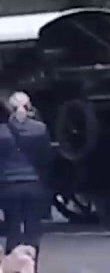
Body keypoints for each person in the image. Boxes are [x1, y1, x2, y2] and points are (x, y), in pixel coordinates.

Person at [0, 92, 53, 261]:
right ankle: (31, 267)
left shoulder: (1, 132)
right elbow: (46, 157)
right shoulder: (40, 129)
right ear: (30, 107)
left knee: (13, 228)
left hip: (8, 186)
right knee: (33, 229)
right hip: (33, 183)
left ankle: (12, 266)